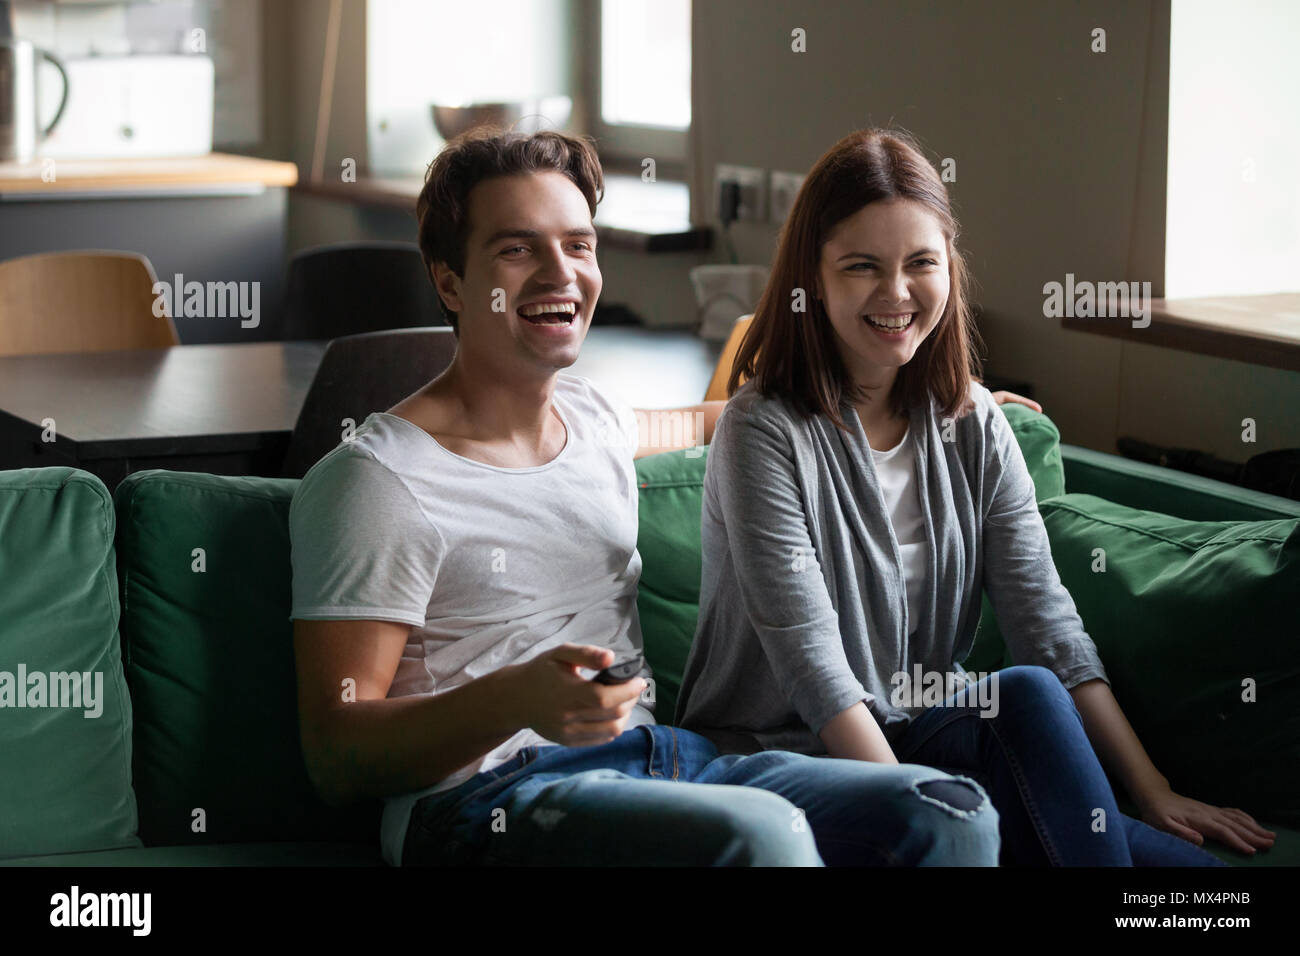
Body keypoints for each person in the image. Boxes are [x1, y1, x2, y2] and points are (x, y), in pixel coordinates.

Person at [287, 126, 1003, 867]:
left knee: (946, 811)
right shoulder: (378, 480)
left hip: (662, 759)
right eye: (517, 248)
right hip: (488, 800)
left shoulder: (595, 422)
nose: (559, 273)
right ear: (448, 281)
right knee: (765, 836)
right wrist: (513, 701)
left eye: (579, 244)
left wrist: (940, 404)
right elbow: (336, 756)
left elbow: (723, 418)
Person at [674, 127, 1276, 866]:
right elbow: (816, 669)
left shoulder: (976, 424)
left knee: (1190, 875)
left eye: (920, 263)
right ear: (812, 279)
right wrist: (923, 812)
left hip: (933, 741)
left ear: (948, 270)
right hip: (788, 763)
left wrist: (1152, 790)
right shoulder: (762, 432)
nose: (896, 293)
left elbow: (1046, 626)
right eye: (862, 266)